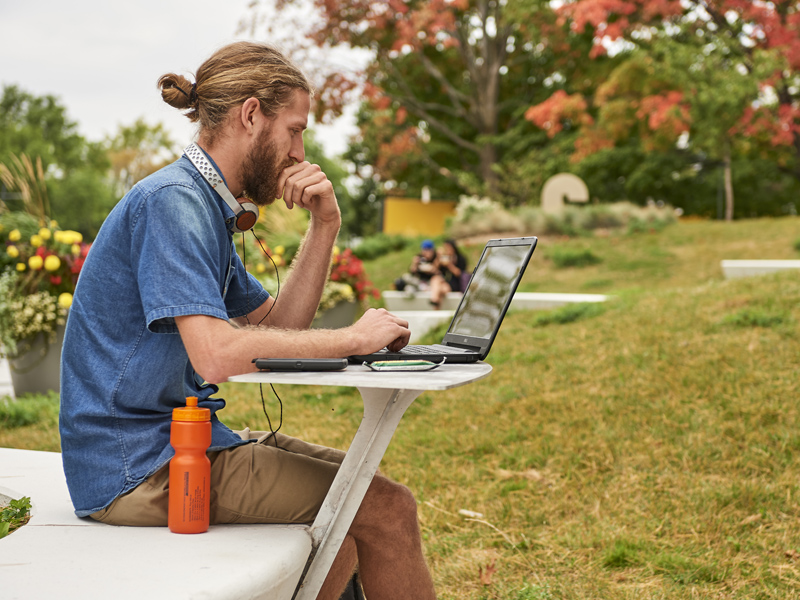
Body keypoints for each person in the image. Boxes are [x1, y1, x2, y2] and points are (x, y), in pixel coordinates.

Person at [59, 41, 435, 600]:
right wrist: (354, 337)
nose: (300, 151)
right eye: (295, 130)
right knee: (384, 508)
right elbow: (215, 353)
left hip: (181, 444)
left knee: (353, 511)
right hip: (138, 468)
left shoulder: (207, 206)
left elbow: (282, 326)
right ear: (252, 114)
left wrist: (324, 225)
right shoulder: (174, 203)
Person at [428, 239, 468, 309]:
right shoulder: (444, 258)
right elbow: (434, 270)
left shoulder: (460, 258)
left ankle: (435, 302)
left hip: (456, 284)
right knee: (436, 279)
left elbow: (459, 273)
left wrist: (449, 265)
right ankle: (435, 300)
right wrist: (438, 258)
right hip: (445, 283)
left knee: (439, 290)